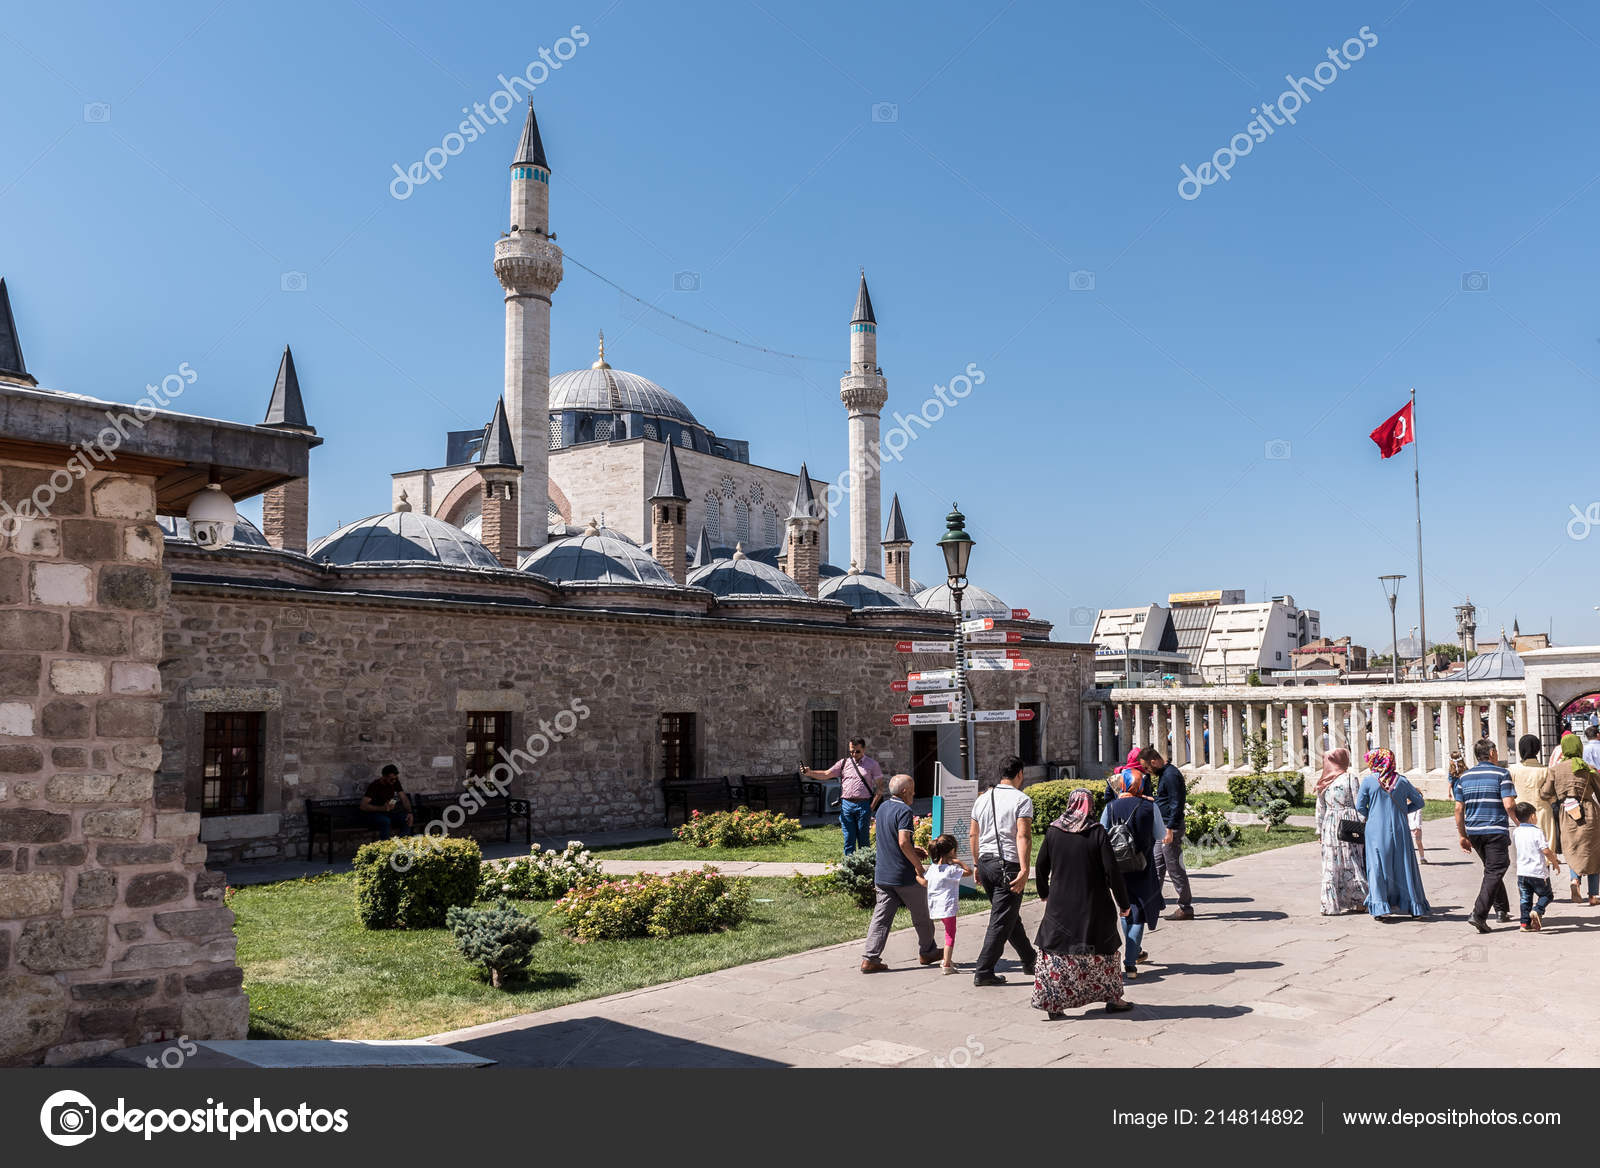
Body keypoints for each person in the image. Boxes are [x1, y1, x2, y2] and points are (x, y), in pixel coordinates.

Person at [1031, 788, 1135, 1018]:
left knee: (1057, 950)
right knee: (1104, 949)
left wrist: (1044, 893)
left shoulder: (1053, 831)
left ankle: (1054, 1003)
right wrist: (1123, 903)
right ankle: (1113, 998)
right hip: (1093, 904)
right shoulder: (1096, 832)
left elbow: (1040, 866)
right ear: (1089, 806)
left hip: (1060, 906)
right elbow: (1112, 871)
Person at [968, 755, 1036, 987]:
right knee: (1001, 918)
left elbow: (973, 834)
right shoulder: (1022, 800)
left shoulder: (982, 798)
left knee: (1008, 916)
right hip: (1007, 863)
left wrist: (977, 864)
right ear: (1019, 774)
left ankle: (1030, 960)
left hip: (986, 863)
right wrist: (1025, 868)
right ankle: (984, 970)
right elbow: (1023, 835)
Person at [860, 774, 939, 972]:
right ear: (904, 791)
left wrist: (914, 848)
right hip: (903, 875)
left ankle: (870, 958)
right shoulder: (904, 810)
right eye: (912, 789)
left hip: (883, 875)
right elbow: (903, 842)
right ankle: (928, 951)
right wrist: (919, 868)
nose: (914, 792)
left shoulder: (882, 808)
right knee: (922, 914)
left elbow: (891, 838)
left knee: (881, 918)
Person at [1100, 767, 1163, 977]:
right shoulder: (1149, 807)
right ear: (1142, 785)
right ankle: (1130, 962)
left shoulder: (1110, 807)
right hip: (1142, 865)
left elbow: (1101, 833)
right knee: (1139, 914)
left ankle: (1133, 953)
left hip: (1117, 868)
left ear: (1124, 784)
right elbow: (1160, 834)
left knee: (1126, 909)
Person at [1355, 748, 1430, 919]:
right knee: (1404, 865)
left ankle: (1380, 907)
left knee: (1377, 867)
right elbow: (1419, 802)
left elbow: (1360, 806)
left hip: (1375, 829)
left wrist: (1371, 815)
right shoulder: (1402, 781)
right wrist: (1404, 810)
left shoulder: (1368, 781)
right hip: (1400, 827)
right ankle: (1413, 906)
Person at [1453, 738, 1517, 932]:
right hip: (1494, 829)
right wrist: (1521, 824)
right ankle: (1479, 914)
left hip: (1474, 831)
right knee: (1497, 868)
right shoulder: (1502, 774)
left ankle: (1501, 909)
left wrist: (1462, 835)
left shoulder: (1464, 777)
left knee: (1492, 868)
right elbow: (1509, 804)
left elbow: (1458, 809)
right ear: (1491, 753)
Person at [1539, 733, 1600, 907]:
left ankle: (1575, 881)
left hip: (1567, 812)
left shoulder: (1555, 769)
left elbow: (1544, 793)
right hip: (1589, 811)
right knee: (1593, 852)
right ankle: (1593, 895)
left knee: (1572, 848)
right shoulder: (1588, 768)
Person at [802, 737, 883, 857]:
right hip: (846, 805)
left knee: (863, 839)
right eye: (851, 751)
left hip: (863, 805)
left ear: (864, 749)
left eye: (857, 751)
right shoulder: (844, 763)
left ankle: (865, 866)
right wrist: (809, 773)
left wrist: (871, 806)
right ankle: (849, 867)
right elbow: (826, 774)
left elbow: (880, 789)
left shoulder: (872, 764)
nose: (854, 754)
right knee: (849, 838)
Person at [1138, 746, 1193, 921]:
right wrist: (1148, 799)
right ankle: (1152, 904)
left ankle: (1186, 908)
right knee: (1156, 866)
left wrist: (1169, 830)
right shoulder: (1164, 774)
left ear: (1153, 761)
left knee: (1175, 868)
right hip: (1162, 828)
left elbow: (1177, 803)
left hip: (1170, 829)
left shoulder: (1171, 775)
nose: (1147, 771)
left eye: (1146, 767)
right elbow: (1165, 800)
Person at [1314, 748, 1367, 915]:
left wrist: (1320, 831)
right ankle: (1359, 901)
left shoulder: (1323, 781)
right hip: (1348, 823)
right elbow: (1358, 803)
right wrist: (1363, 823)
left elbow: (1320, 809)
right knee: (1352, 859)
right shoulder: (1350, 778)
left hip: (1329, 825)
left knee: (1331, 864)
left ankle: (1329, 904)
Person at [924, 834, 971, 974]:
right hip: (948, 908)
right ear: (951, 851)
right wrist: (957, 861)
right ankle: (946, 964)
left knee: (947, 933)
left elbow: (924, 882)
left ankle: (946, 959)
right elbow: (969, 872)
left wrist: (916, 874)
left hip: (935, 907)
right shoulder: (952, 870)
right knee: (950, 935)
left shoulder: (932, 869)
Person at [1511, 802, 1559, 932]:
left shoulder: (1516, 832)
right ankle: (1537, 910)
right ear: (1532, 816)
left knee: (1525, 899)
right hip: (1537, 872)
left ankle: (1524, 924)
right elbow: (1545, 851)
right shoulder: (1537, 832)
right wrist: (1554, 862)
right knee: (1547, 895)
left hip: (1522, 872)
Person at [1508, 734, 1556, 859]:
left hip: (1521, 816)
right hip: (1543, 815)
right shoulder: (1545, 771)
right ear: (1537, 749)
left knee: (1525, 854)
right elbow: (1552, 797)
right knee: (1546, 854)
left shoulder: (1512, 770)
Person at [359, 764, 413, 838]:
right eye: (391, 779)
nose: (394, 781)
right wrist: (382, 808)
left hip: (388, 813)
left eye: (395, 778)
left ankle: (402, 843)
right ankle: (386, 846)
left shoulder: (395, 782)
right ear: (384, 776)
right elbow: (363, 806)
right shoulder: (375, 786)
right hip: (374, 814)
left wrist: (410, 812)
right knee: (385, 821)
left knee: (406, 819)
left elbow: (403, 798)